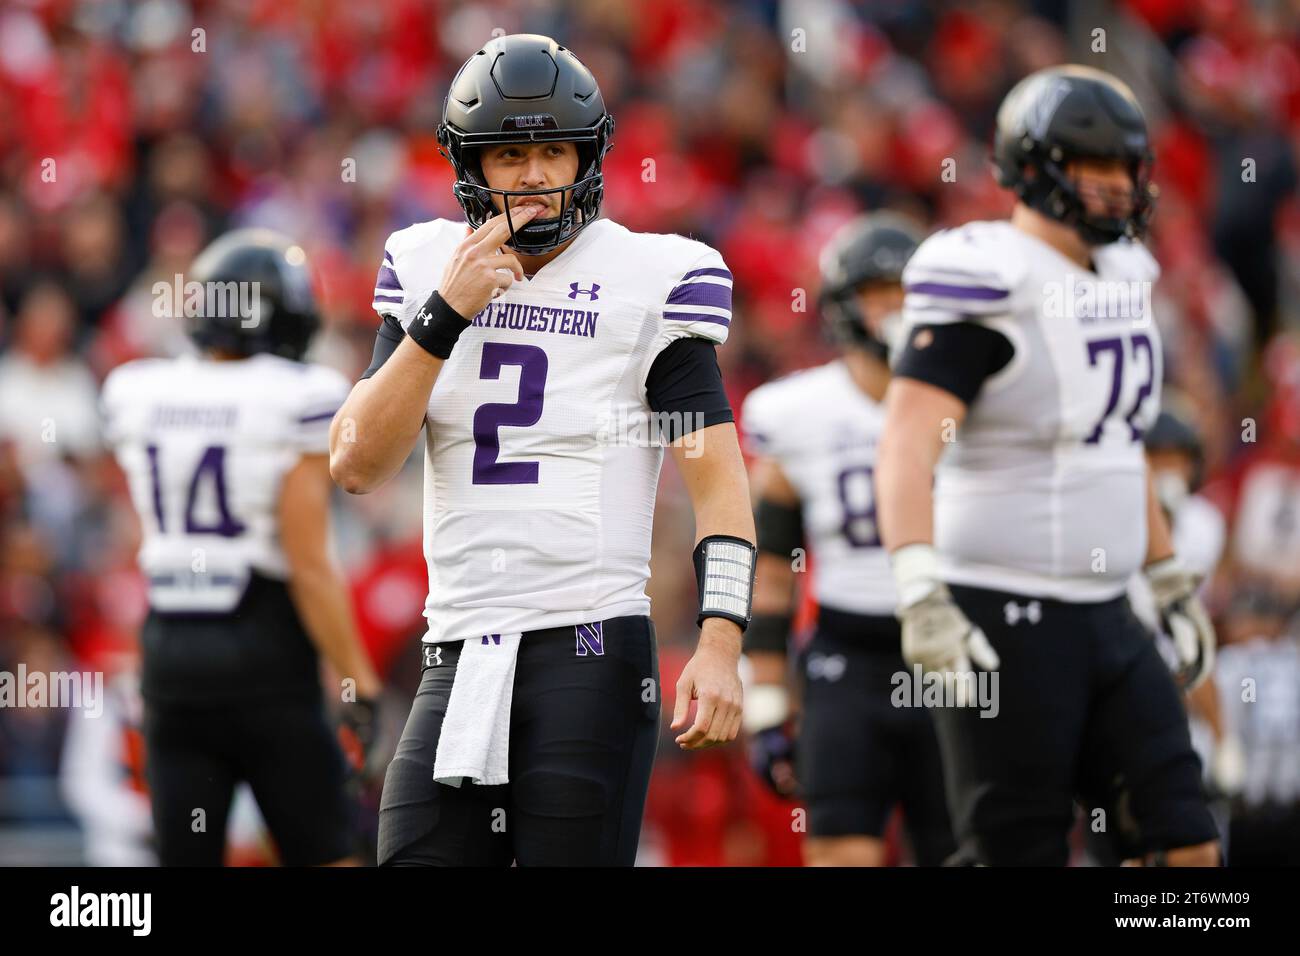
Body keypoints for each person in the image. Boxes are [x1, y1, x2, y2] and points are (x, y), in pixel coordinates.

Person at [329, 34, 757, 867]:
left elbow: (720, 490)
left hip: (588, 644)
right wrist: (444, 315)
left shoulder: (651, 276)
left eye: (552, 150)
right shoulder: (426, 267)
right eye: (510, 153)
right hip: (458, 645)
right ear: (471, 167)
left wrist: (720, 642)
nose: (532, 176)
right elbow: (355, 464)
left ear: (586, 157)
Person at [874, 65, 1221, 866]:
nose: (1115, 185)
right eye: (1092, 166)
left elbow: (1118, 442)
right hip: (1004, 611)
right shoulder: (990, 276)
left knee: (1185, 841)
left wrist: (1166, 577)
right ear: (1034, 169)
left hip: (1107, 606)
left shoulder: (1125, 275)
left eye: (1125, 167)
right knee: (1016, 851)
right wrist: (921, 588)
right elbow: (905, 442)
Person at [101, 228, 381, 866]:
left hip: (170, 659)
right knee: (328, 854)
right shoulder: (297, 394)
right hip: (265, 658)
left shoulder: (139, 390)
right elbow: (309, 562)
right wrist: (358, 681)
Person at [740, 213, 955, 866]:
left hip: (952, 655)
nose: (893, 309)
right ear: (843, 305)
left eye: (906, 292)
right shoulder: (796, 413)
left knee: (964, 849)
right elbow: (771, 568)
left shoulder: (966, 403)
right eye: (878, 292)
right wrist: (768, 700)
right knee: (841, 851)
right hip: (847, 662)